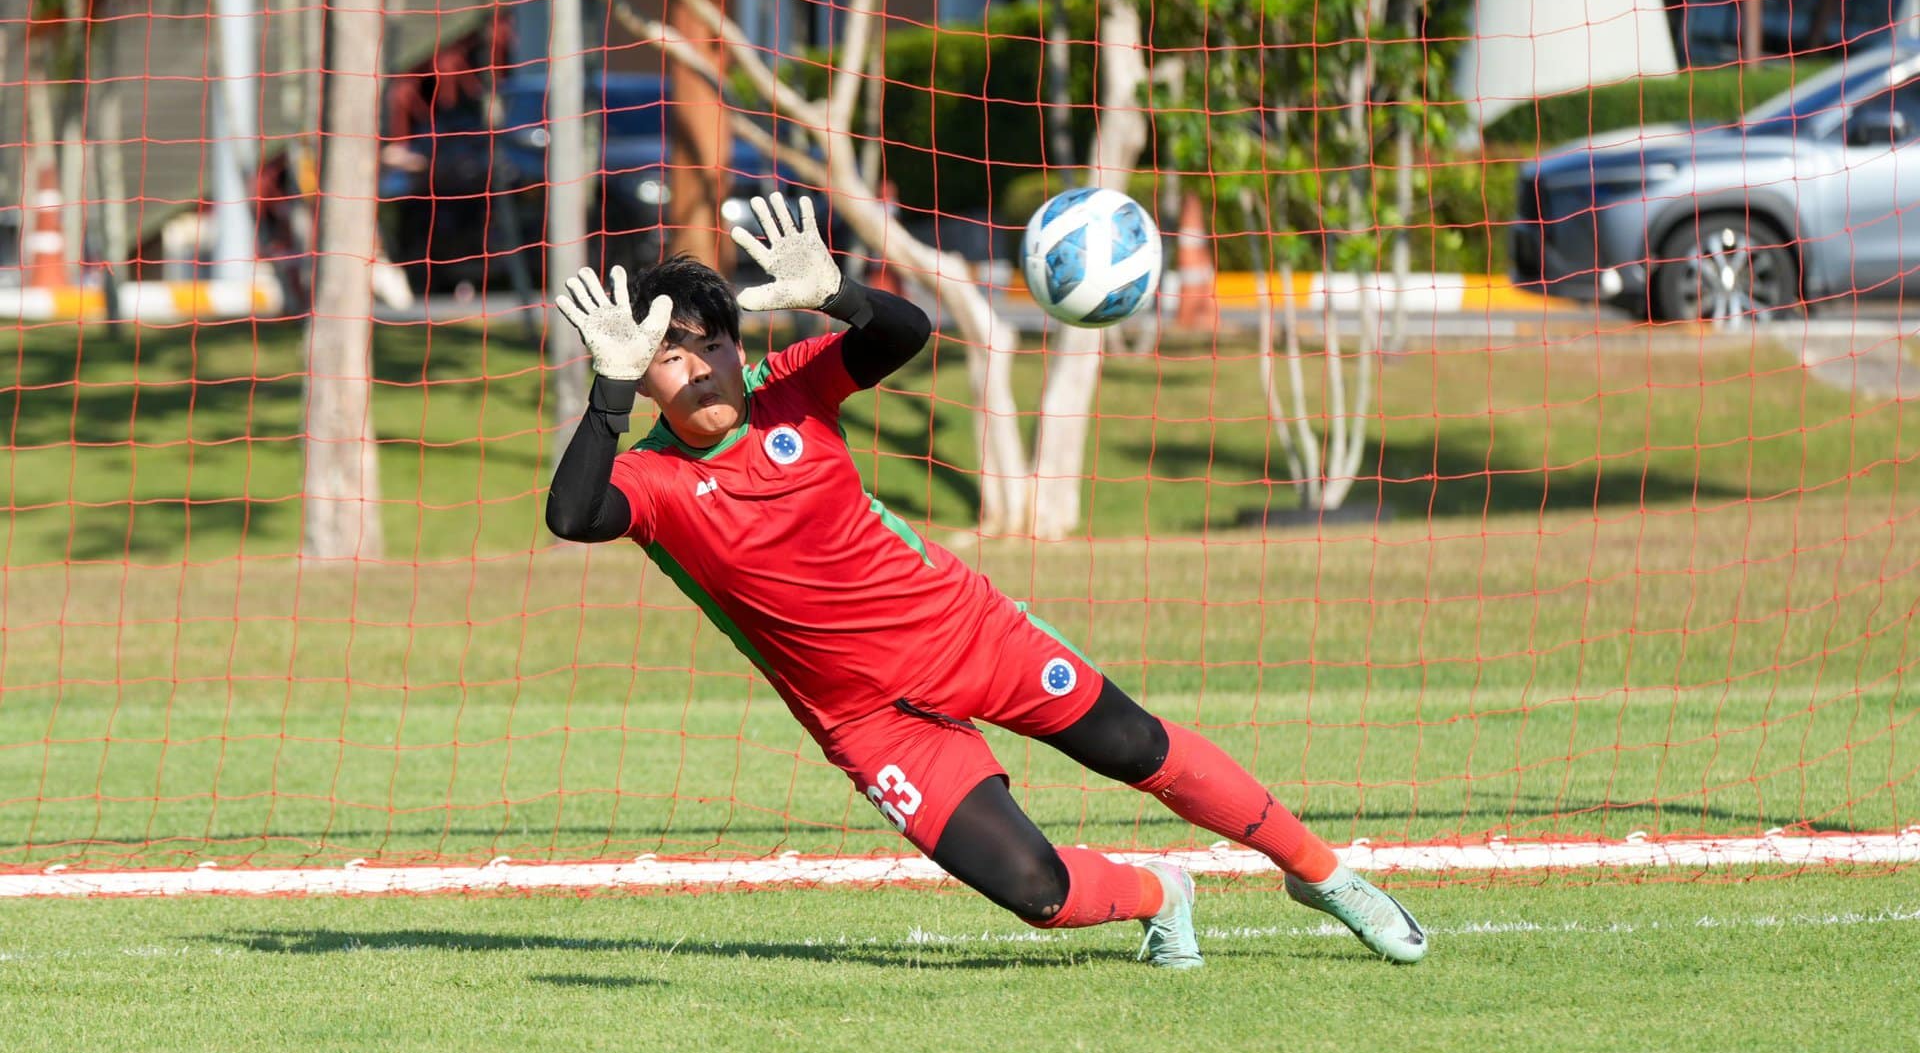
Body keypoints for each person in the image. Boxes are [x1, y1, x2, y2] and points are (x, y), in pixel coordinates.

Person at [545, 193, 1427, 968]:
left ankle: (1324, 876)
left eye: (709, 346)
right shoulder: (654, 482)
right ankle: (1162, 893)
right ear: (645, 377)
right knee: (1037, 893)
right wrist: (607, 398)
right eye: (668, 358)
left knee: (1136, 748)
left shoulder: (792, 390)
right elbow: (571, 515)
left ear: (740, 346)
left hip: (969, 633)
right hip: (869, 723)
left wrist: (839, 297)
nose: (696, 369)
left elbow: (907, 333)